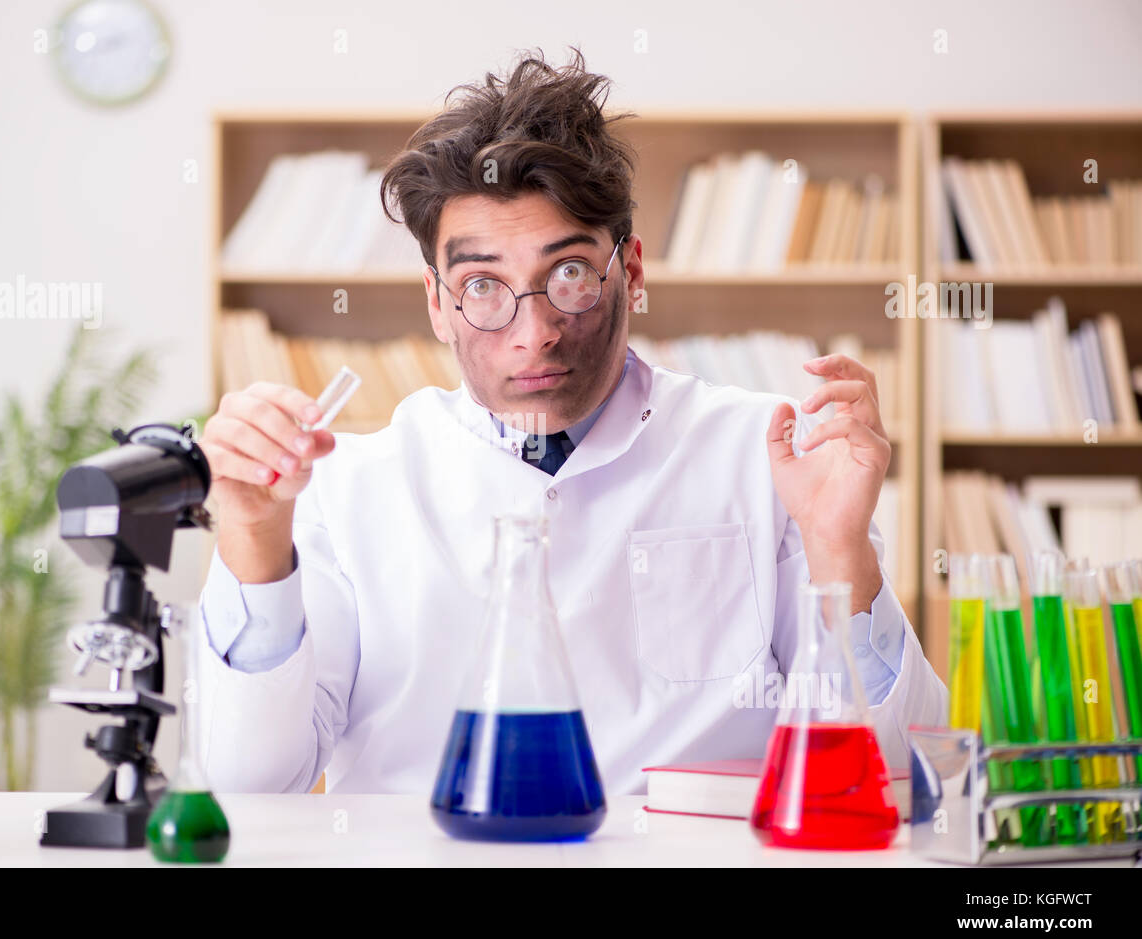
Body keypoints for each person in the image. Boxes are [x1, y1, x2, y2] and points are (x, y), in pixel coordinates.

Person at [194, 47, 947, 795]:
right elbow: (253, 783)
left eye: (569, 274)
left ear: (634, 271)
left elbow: (904, 776)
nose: (534, 332)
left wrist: (839, 550)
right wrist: (256, 540)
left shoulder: (766, 456)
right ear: (435, 301)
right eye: (483, 285)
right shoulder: (349, 487)